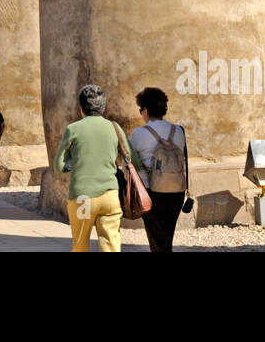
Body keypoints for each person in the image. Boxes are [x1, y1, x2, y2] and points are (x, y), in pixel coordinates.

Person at [52, 84, 131, 252]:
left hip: (82, 197)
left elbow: (58, 166)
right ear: (103, 107)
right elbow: (132, 160)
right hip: (110, 195)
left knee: (80, 245)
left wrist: (73, 163)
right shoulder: (115, 128)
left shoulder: (72, 129)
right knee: (111, 246)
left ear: (81, 108)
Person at [128, 86, 188, 251]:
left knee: (156, 241)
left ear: (145, 110)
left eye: (141, 111)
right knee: (166, 239)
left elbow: (130, 162)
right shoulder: (178, 131)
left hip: (152, 191)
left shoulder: (139, 133)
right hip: (177, 191)